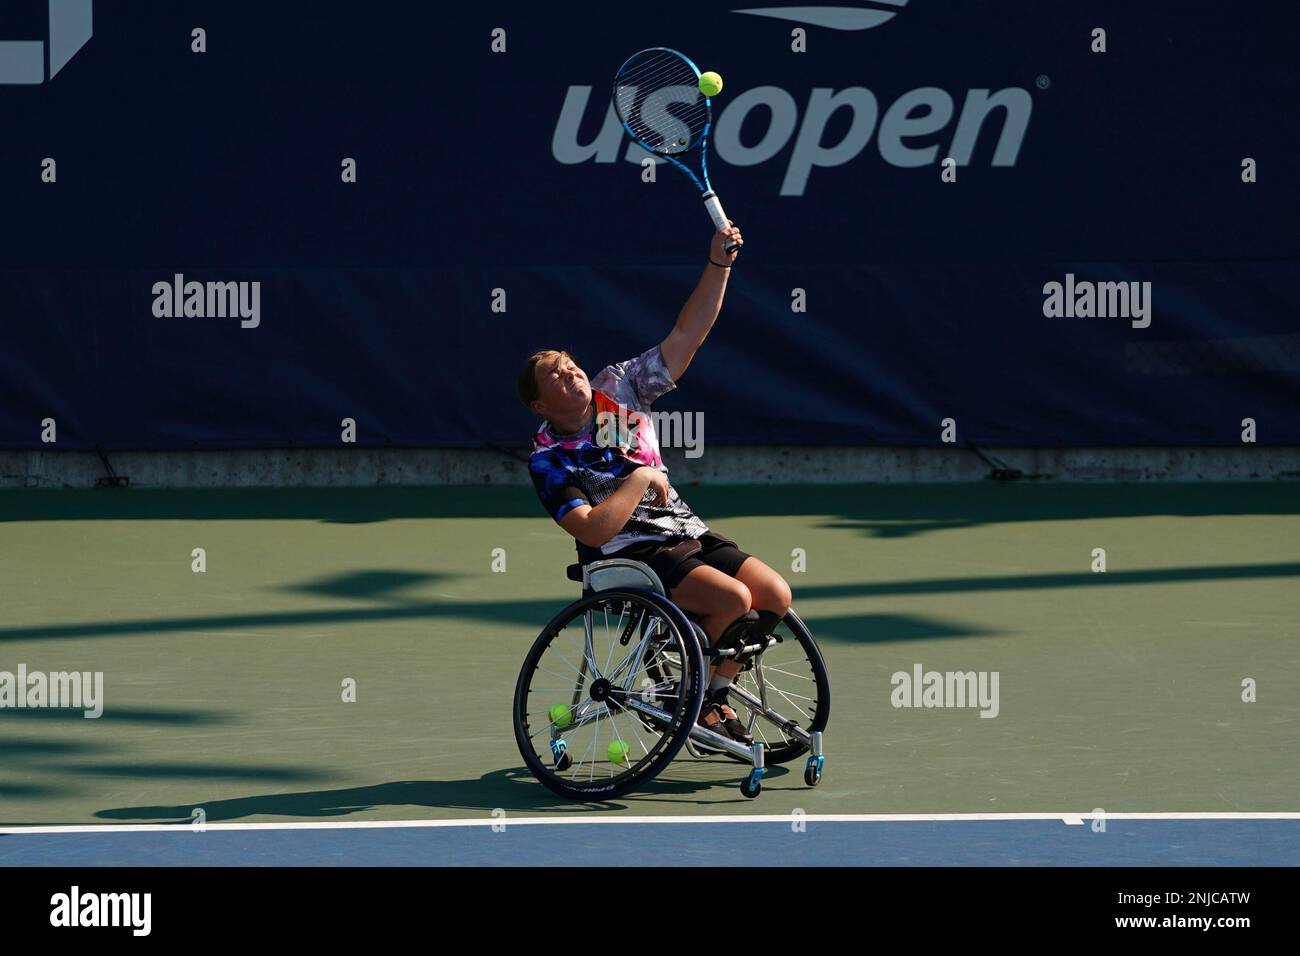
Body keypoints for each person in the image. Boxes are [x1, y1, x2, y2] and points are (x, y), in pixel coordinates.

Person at [517, 225, 792, 743]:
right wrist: (642, 476)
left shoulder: (619, 388)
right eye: (555, 375)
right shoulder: (549, 461)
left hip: (684, 529)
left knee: (774, 594)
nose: (572, 374)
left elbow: (687, 334)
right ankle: (702, 702)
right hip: (630, 553)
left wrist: (719, 265)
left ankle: (705, 694)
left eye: (572, 365)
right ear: (539, 405)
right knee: (733, 599)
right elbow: (594, 533)